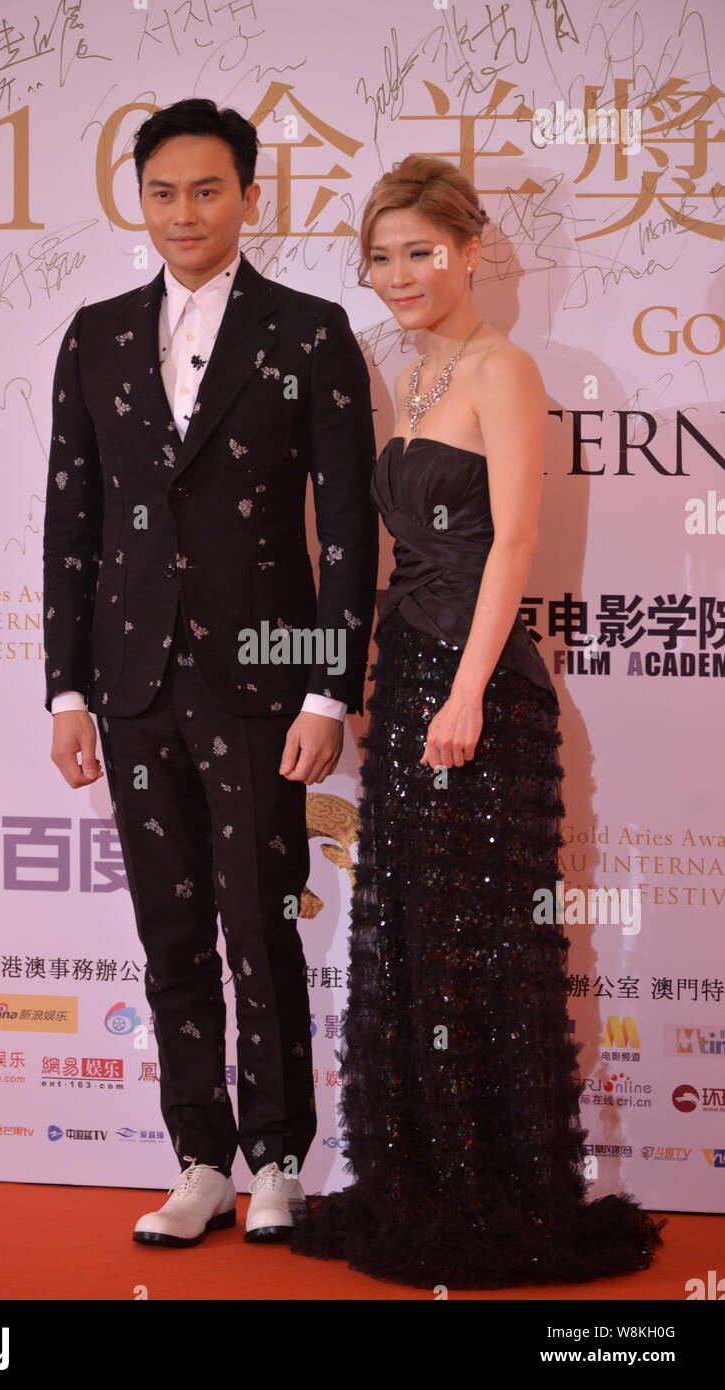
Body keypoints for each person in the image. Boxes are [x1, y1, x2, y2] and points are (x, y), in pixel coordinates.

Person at [287, 155, 666, 1289]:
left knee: (478, 942)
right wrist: (375, 677)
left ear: (471, 251)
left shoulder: (505, 367)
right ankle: (420, 1174)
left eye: (422, 252)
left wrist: (463, 690)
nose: (401, 274)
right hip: (407, 676)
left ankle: (489, 1183)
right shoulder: (411, 373)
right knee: (411, 930)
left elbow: (511, 542)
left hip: (478, 689)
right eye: (384, 256)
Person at [42, 99, 378, 1246]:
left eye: (207, 190)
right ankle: (198, 1159)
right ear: (139, 200)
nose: (184, 213)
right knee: (169, 930)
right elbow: (69, 521)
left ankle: (278, 1158)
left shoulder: (310, 330)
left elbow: (347, 526)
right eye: (163, 192)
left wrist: (329, 687)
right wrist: (67, 688)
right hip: (131, 684)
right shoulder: (92, 335)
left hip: (265, 680)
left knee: (260, 921)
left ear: (249, 196)